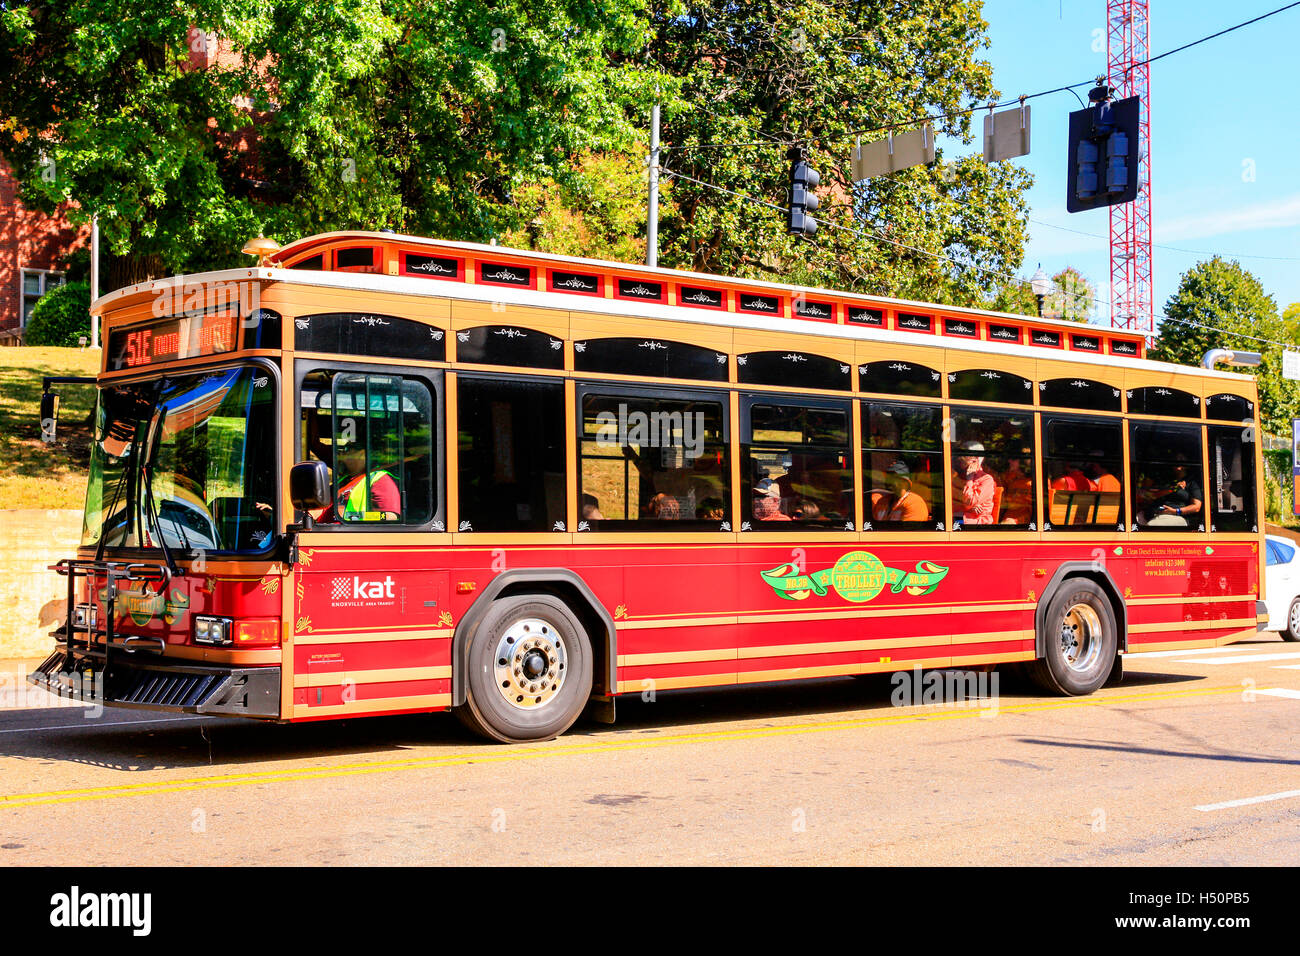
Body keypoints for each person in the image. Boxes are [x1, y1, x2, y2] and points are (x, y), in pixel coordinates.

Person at [317, 439, 401, 522]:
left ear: (362, 453)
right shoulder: (344, 480)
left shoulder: (381, 480)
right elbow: (324, 507)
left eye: (347, 449)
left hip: (353, 534)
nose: (341, 453)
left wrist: (351, 515)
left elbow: (389, 516)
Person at [1142, 462, 1202, 526]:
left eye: (1181, 459)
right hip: (1155, 513)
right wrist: (1173, 489)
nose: (1177, 461)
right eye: (1176, 460)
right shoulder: (1166, 480)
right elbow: (1153, 495)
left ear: (1187, 466)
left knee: (1151, 526)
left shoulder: (1192, 483)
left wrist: (1175, 511)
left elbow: (1196, 507)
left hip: (1177, 516)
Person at [953, 440, 996, 525]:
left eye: (965, 454)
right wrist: (969, 508)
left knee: (952, 523)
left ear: (975, 460)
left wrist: (969, 479)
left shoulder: (986, 480)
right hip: (960, 516)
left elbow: (969, 502)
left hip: (976, 522)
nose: (960, 458)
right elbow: (952, 502)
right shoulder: (958, 477)